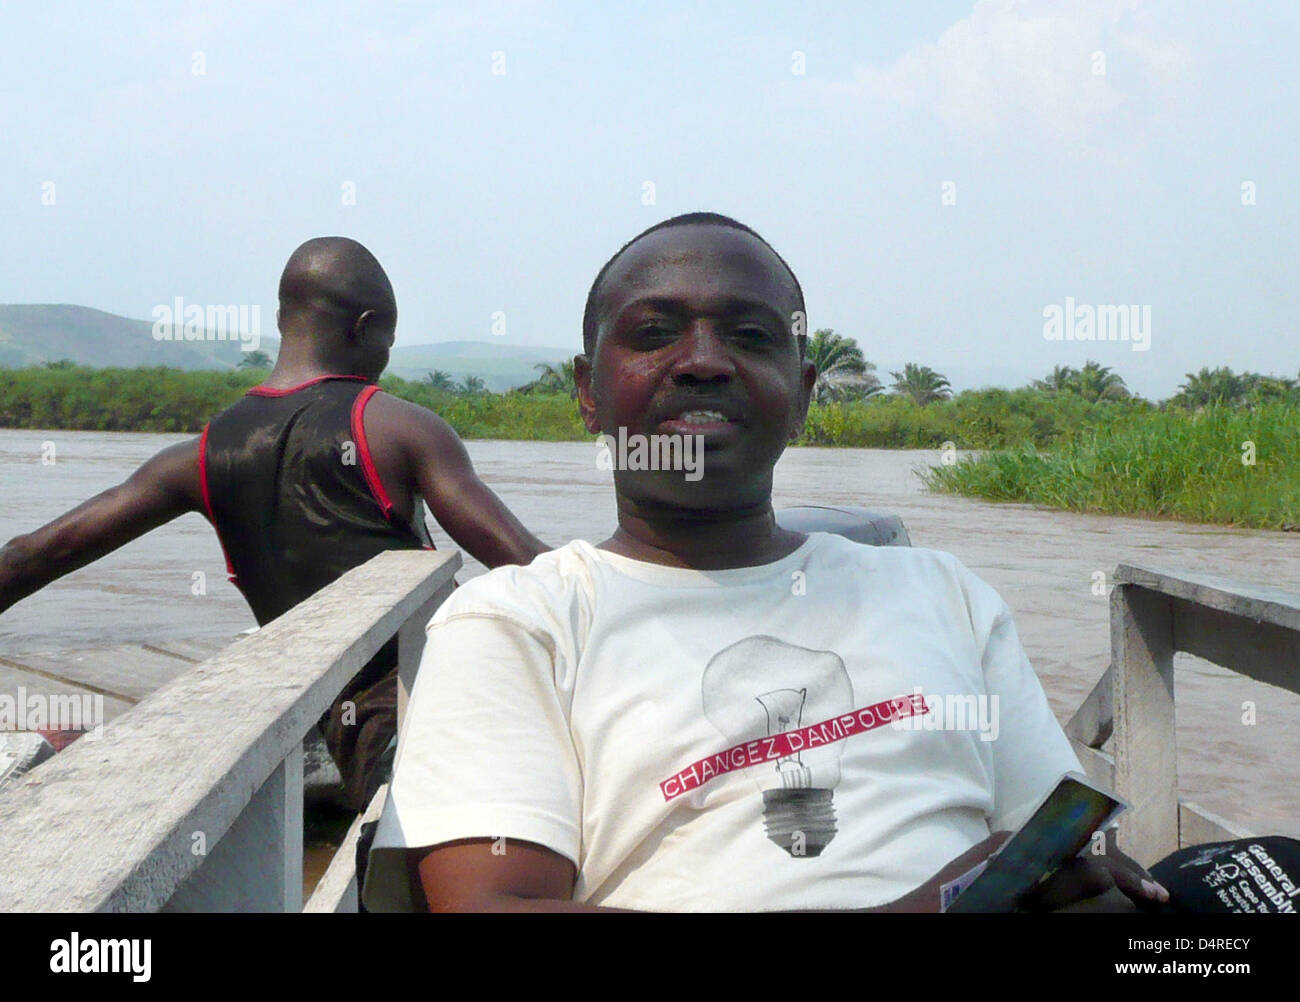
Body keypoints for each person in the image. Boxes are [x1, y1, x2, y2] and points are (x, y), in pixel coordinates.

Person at [362, 212, 1165, 911]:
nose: (704, 361)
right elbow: (494, 906)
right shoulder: (518, 622)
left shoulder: (943, 593)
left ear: (805, 391)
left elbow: (1049, 843)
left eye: (751, 337)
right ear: (588, 391)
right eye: (653, 334)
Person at [0, 236, 548, 809]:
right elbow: (529, 563)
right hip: (453, 695)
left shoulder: (199, 456)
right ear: (365, 328)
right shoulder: (400, 428)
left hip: (353, 727)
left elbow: (33, 555)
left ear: (283, 320)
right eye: (388, 336)